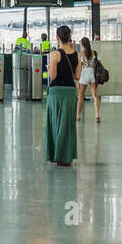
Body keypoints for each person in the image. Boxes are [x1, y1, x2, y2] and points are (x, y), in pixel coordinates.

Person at [45, 25, 79, 165]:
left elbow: (52, 76)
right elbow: (77, 76)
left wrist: (48, 67)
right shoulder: (77, 55)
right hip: (71, 94)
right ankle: (66, 157)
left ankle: (57, 155)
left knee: (55, 124)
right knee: (68, 125)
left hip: (56, 94)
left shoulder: (55, 54)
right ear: (69, 37)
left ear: (57, 37)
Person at [75, 35, 102, 124]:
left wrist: (78, 81)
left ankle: (78, 115)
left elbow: (79, 68)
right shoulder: (94, 53)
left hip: (84, 75)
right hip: (93, 75)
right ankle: (97, 115)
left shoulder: (80, 54)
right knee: (95, 96)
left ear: (82, 45)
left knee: (81, 97)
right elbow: (100, 64)